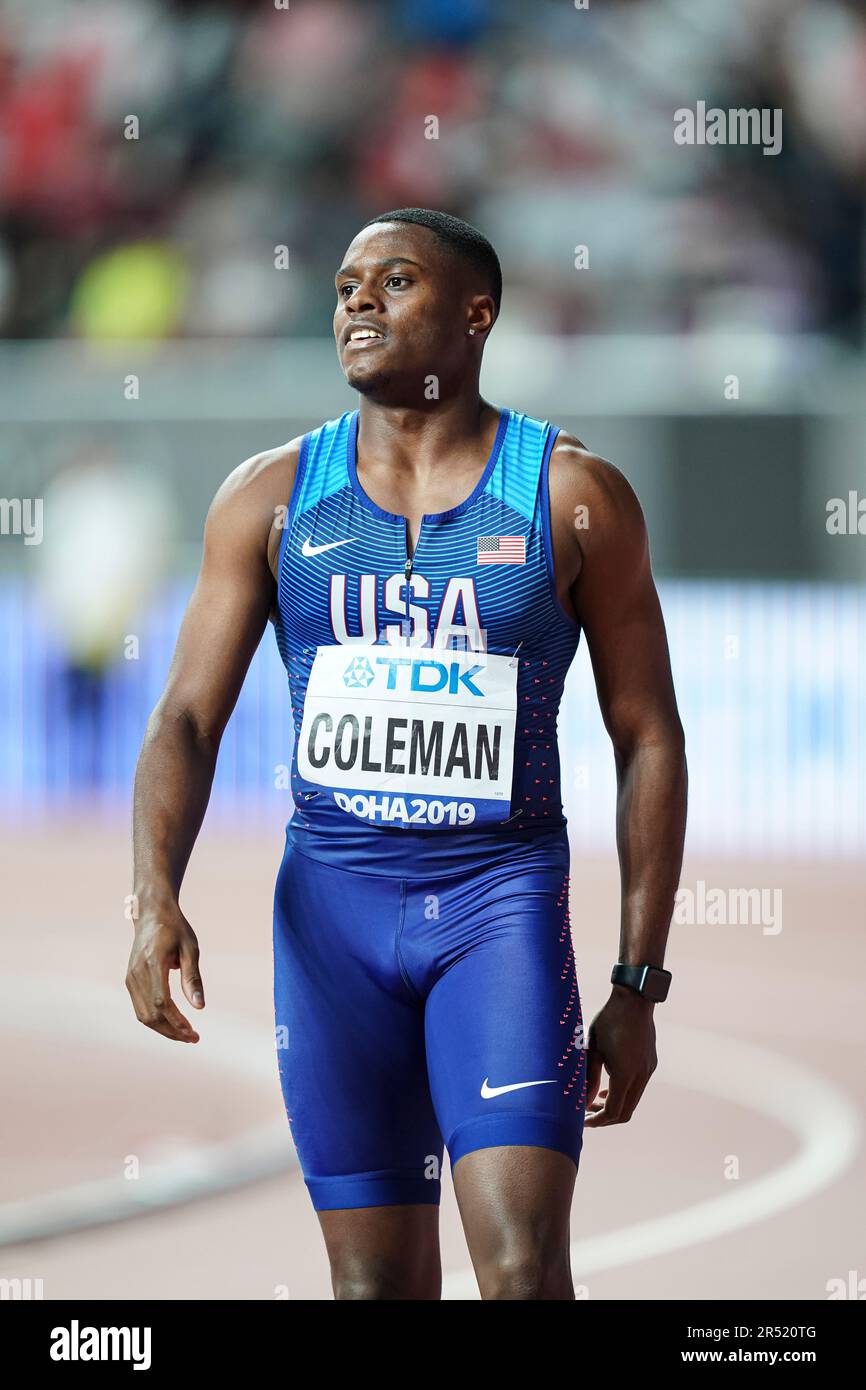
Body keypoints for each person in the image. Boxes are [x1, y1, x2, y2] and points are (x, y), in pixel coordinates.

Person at [127, 208, 687, 1300]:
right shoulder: (271, 498)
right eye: (345, 287)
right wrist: (153, 897)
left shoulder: (572, 496)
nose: (358, 304)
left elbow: (647, 733)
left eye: (393, 282)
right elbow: (184, 719)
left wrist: (637, 981)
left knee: (521, 1270)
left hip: (497, 907)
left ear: (477, 314)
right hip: (329, 920)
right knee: (372, 1289)